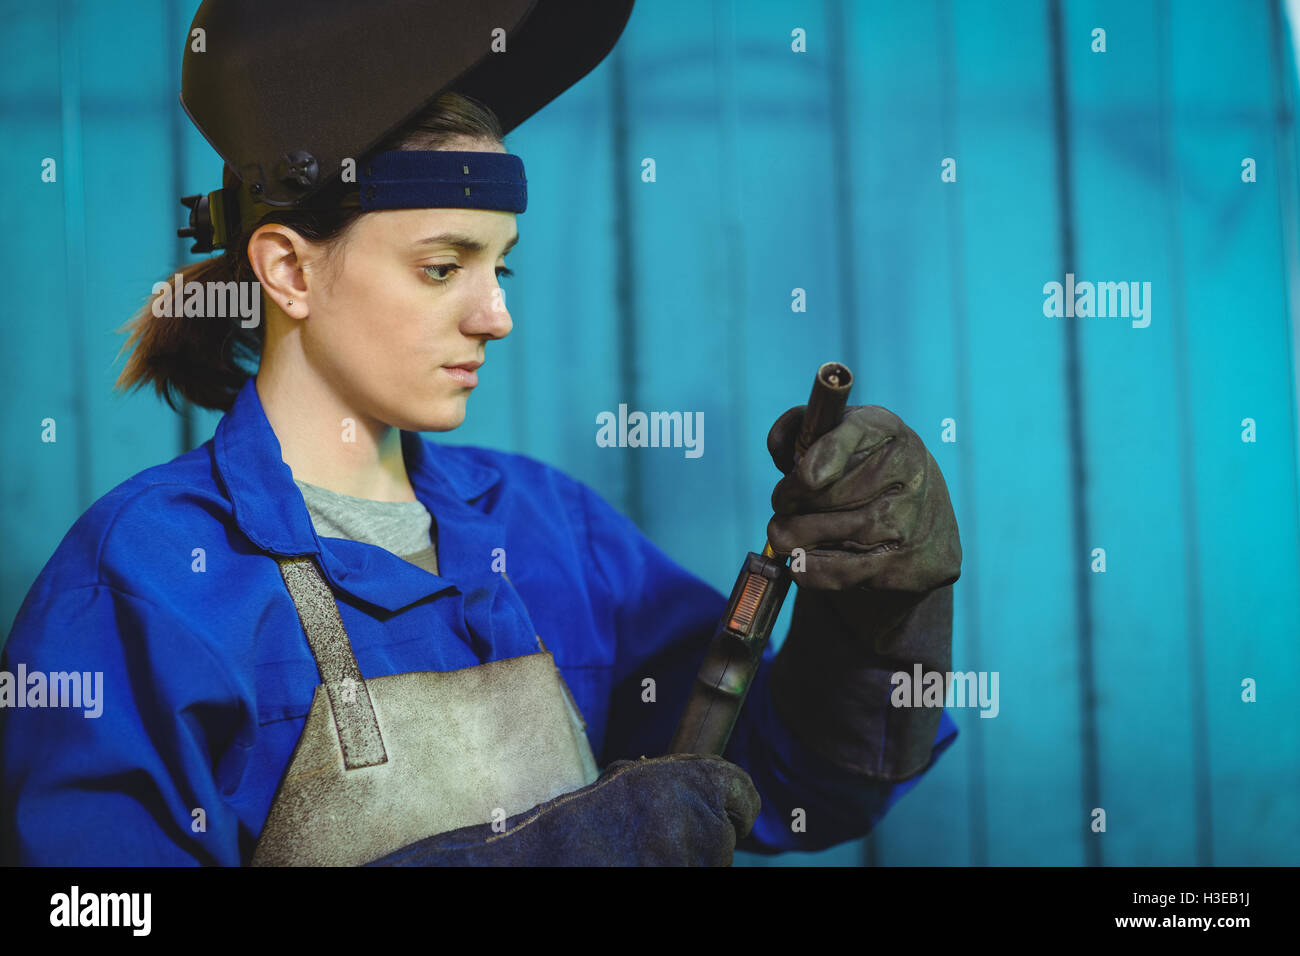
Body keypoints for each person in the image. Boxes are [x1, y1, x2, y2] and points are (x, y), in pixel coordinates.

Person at [0, 0, 961, 866]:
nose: (494, 315)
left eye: (501, 267)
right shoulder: (148, 581)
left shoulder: (552, 531)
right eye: (441, 266)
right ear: (287, 271)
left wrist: (875, 618)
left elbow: (790, 791)